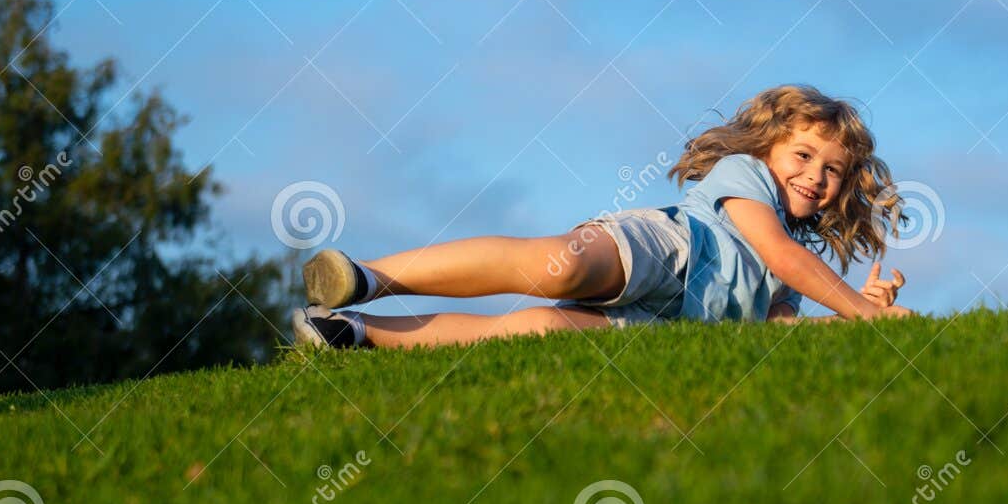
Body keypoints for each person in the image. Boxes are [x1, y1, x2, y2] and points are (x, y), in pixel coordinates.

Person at [291, 84, 914, 350]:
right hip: (668, 250)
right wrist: (859, 311)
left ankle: (353, 332)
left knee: (537, 332)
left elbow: (780, 334)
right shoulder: (745, 177)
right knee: (554, 268)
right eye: (803, 155)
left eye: (833, 170)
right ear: (767, 149)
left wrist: (860, 321)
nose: (816, 176)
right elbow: (780, 252)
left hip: (670, 322)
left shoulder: (789, 280)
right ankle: (366, 276)